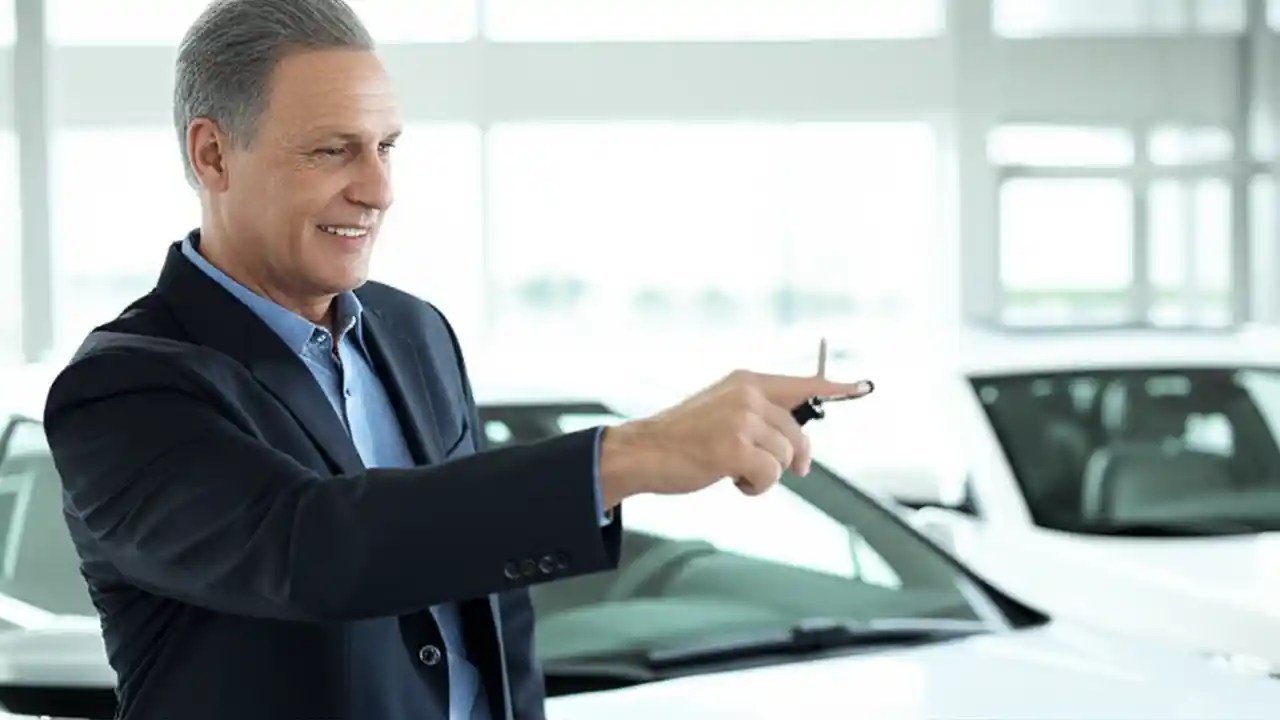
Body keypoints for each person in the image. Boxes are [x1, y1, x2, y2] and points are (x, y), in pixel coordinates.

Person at [40, 1, 872, 719]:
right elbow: (318, 550)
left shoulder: (413, 331)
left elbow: (490, 606)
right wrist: (635, 454)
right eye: (333, 151)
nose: (379, 188)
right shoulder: (123, 391)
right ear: (212, 155)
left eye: (386, 147)